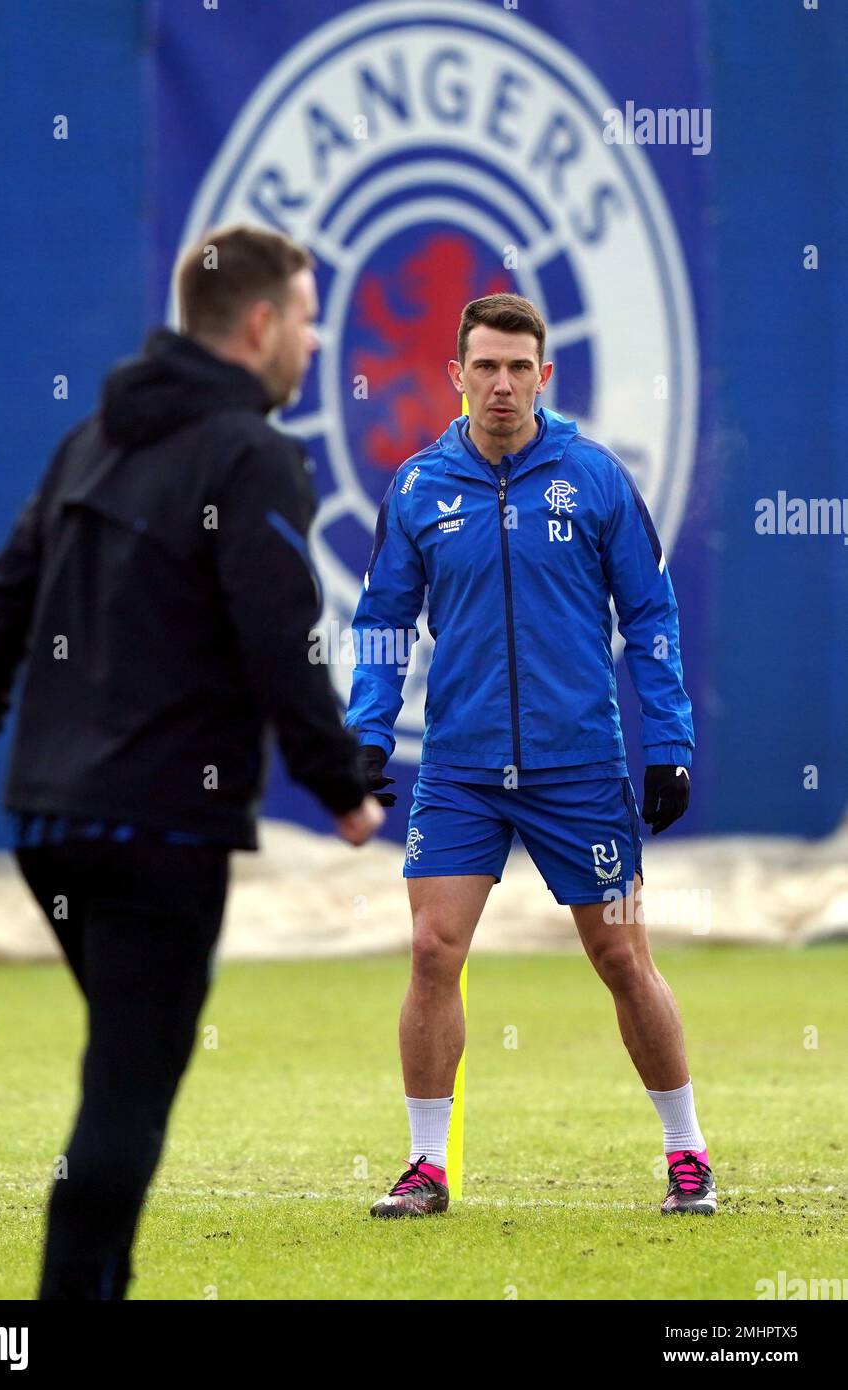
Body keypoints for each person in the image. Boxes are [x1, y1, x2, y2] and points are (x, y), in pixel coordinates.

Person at [0, 224, 384, 1298]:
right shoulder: (249, 452)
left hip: (50, 823)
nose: (314, 344)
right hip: (159, 826)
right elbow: (280, 633)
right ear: (260, 323)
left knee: (125, 1069)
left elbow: (0, 601)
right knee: (126, 1091)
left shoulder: (93, 441)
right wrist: (339, 784)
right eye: (308, 319)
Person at [347, 292, 714, 1219]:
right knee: (433, 951)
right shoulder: (420, 487)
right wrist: (366, 730)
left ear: (544, 376)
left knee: (622, 956)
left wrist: (667, 742)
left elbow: (651, 614)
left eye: (519, 367)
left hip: (580, 768)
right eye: (485, 366)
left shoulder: (592, 479)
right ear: (455, 375)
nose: (502, 383)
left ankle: (686, 1151)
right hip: (461, 769)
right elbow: (384, 619)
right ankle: (426, 1167)